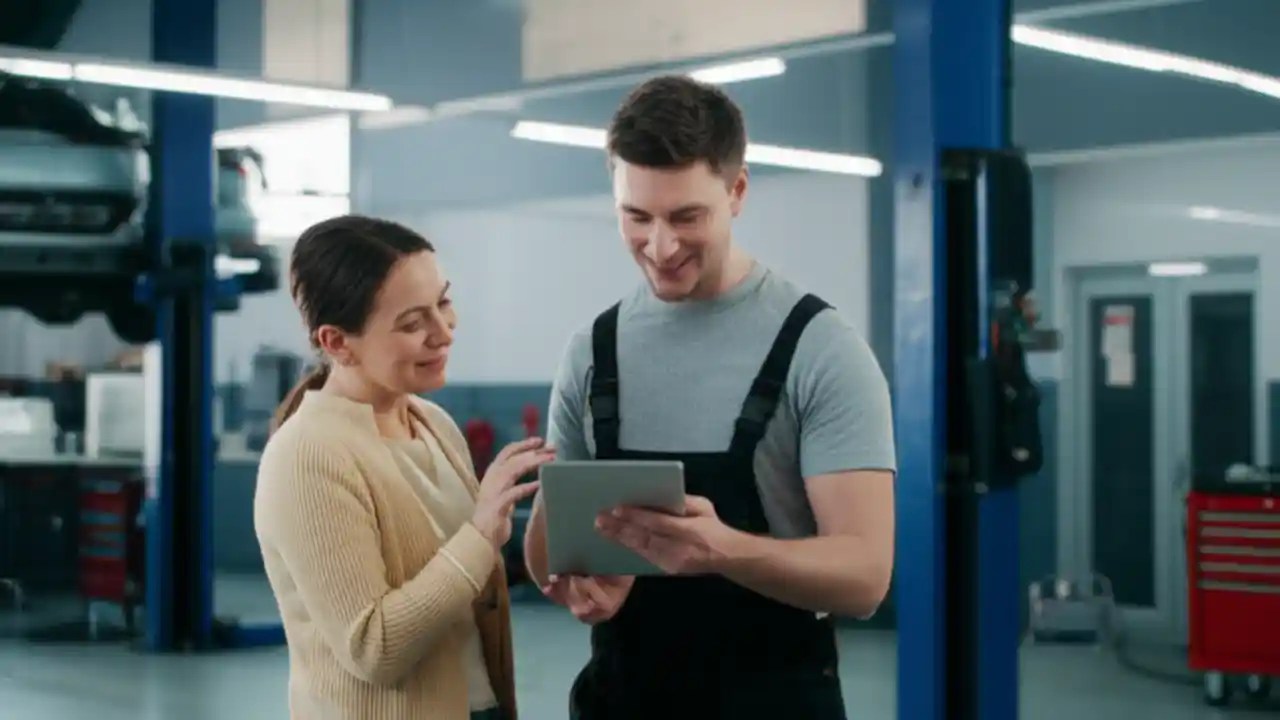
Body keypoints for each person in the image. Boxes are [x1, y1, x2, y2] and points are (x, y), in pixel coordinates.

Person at [522, 76, 897, 719]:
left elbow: (864, 577)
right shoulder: (594, 349)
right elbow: (548, 550)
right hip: (622, 700)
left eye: (686, 216)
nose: (660, 246)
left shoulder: (820, 348)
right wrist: (578, 583)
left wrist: (723, 549)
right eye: (636, 217)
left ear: (738, 191)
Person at [254, 215, 553, 720]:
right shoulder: (309, 456)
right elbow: (375, 649)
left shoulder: (431, 422)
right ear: (336, 342)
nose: (444, 333)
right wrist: (481, 537)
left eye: (443, 302)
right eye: (413, 323)